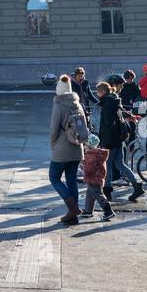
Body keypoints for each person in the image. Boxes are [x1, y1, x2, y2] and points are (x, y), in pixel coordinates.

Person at [48, 75, 88, 225]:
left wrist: (53, 145)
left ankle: (73, 208)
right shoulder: (78, 104)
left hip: (62, 148)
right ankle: (73, 214)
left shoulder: (58, 105)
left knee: (54, 177)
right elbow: (84, 126)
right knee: (71, 180)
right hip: (77, 147)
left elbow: (53, 129)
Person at [96, 79, 143, 202]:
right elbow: (119, 115)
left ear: (102, 92)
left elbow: (107, 124)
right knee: (120, 164)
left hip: (110, 140)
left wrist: (103, 141)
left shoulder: (107, 104)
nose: (97, 95)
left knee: (108, 165)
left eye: (98, 92)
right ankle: (137, 186)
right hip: (118, 139)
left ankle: (107, 191)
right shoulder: (115, 100)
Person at [79, 134, 114, 221]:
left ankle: (108, 211)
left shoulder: (91, 155)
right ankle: (88, 211)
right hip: (96, 178)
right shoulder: (96, 154)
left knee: (98, 195)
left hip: (94, 178)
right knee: (90, 195)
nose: (84, 147)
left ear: (89, 146)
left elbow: (89, 169)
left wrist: (82, 167)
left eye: (85, 146)